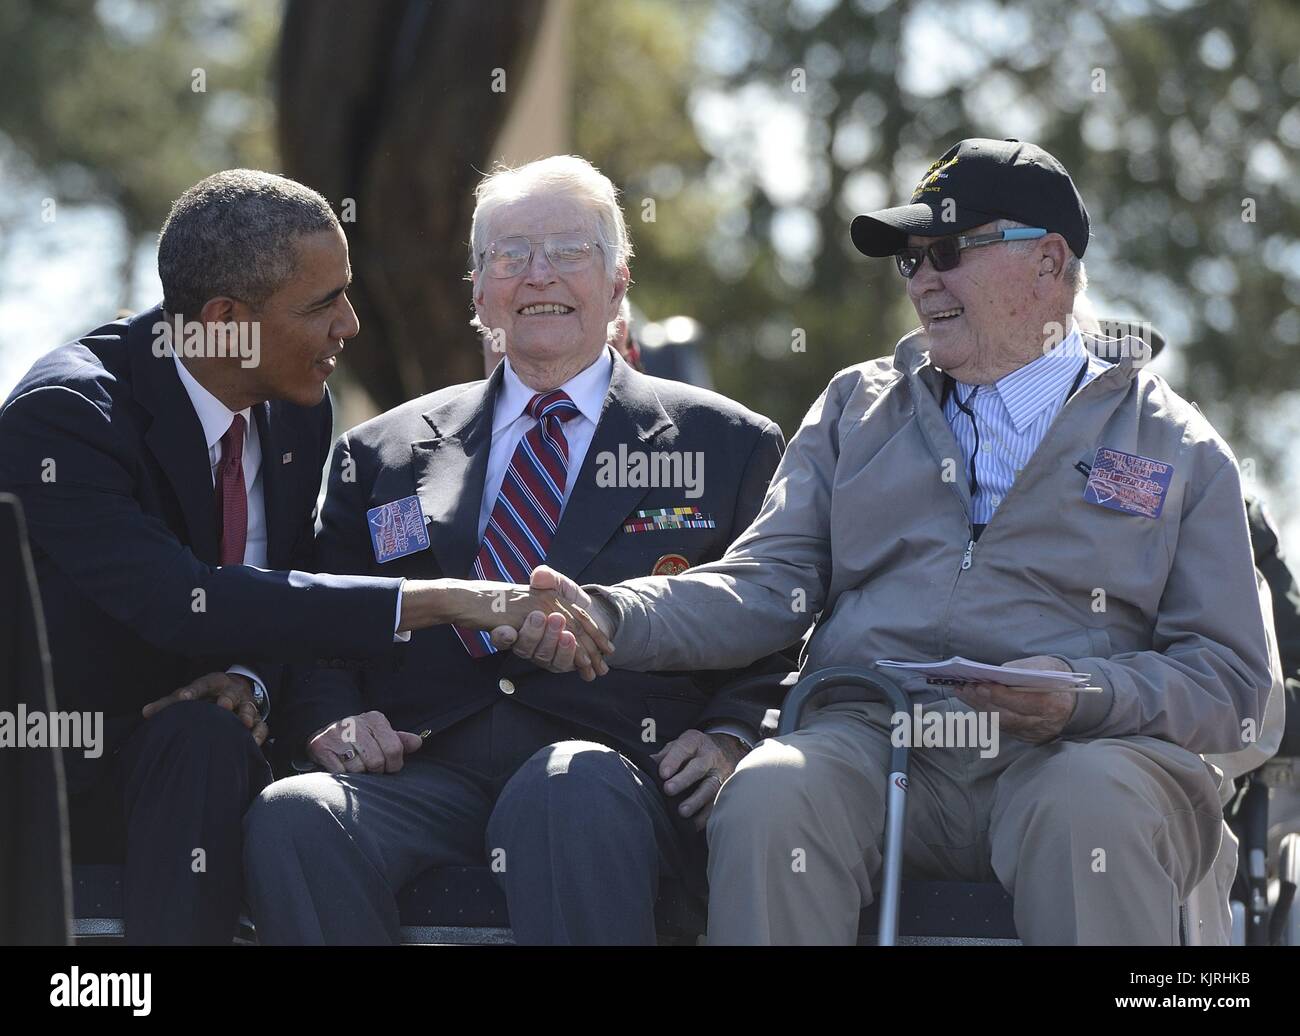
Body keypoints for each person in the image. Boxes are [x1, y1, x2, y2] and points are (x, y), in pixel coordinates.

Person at [498, 138, 1277, 945]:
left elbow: (1236, 689)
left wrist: (1086, 693)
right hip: (882, 742)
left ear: (1049, 261)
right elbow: (765, 584)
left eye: (946, 251)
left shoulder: (1176, 446)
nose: (923, 281)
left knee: (1093, 813)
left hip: (1084, 758)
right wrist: (612, 614)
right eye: (909, 261)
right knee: (771, 794)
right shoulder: (855, 410)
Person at [0, 169, 601, 944]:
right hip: (69, 761)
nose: (349, 325)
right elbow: (182, 599)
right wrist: (449, 598)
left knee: (215, 742)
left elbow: (276, 595)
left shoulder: (292, 408)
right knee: (201, 743)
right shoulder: (68, 417)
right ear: (226, 321)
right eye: (323, 305)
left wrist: (248, 679)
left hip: (215, 750)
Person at [242, 155, 786, 945]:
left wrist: (737, 732)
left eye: (568, 251)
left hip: (614, 777)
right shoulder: (379, 453)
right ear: (476, 290)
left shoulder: (728, 444)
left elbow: (781, 616)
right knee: (294, 815)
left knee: (564, 785)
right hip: (425, 773)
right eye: (509, 254)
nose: (539, 274)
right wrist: (332, 719)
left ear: (618, 281)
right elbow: (323, 628)